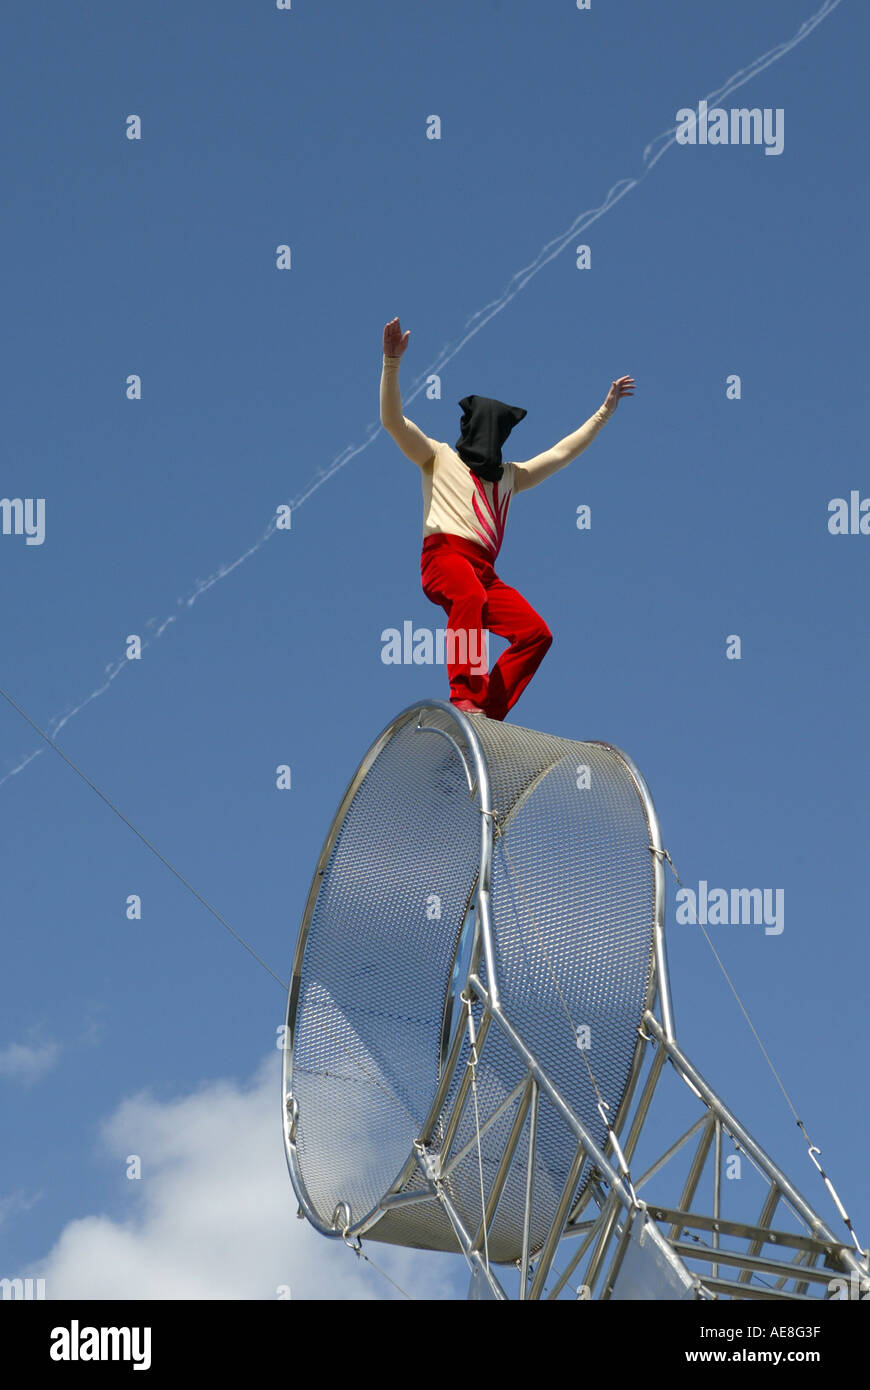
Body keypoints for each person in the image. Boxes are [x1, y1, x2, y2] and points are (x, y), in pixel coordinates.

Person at [380, 316, 634, 720]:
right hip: (443, 559)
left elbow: (560, 454)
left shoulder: (510, 478)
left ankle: (487, 714)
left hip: (485, 571)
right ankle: (464, 694)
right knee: (470, 597)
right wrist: (391, 364)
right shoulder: (438, 455)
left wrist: (603, 412)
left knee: (536, 634)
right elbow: (394, 422)